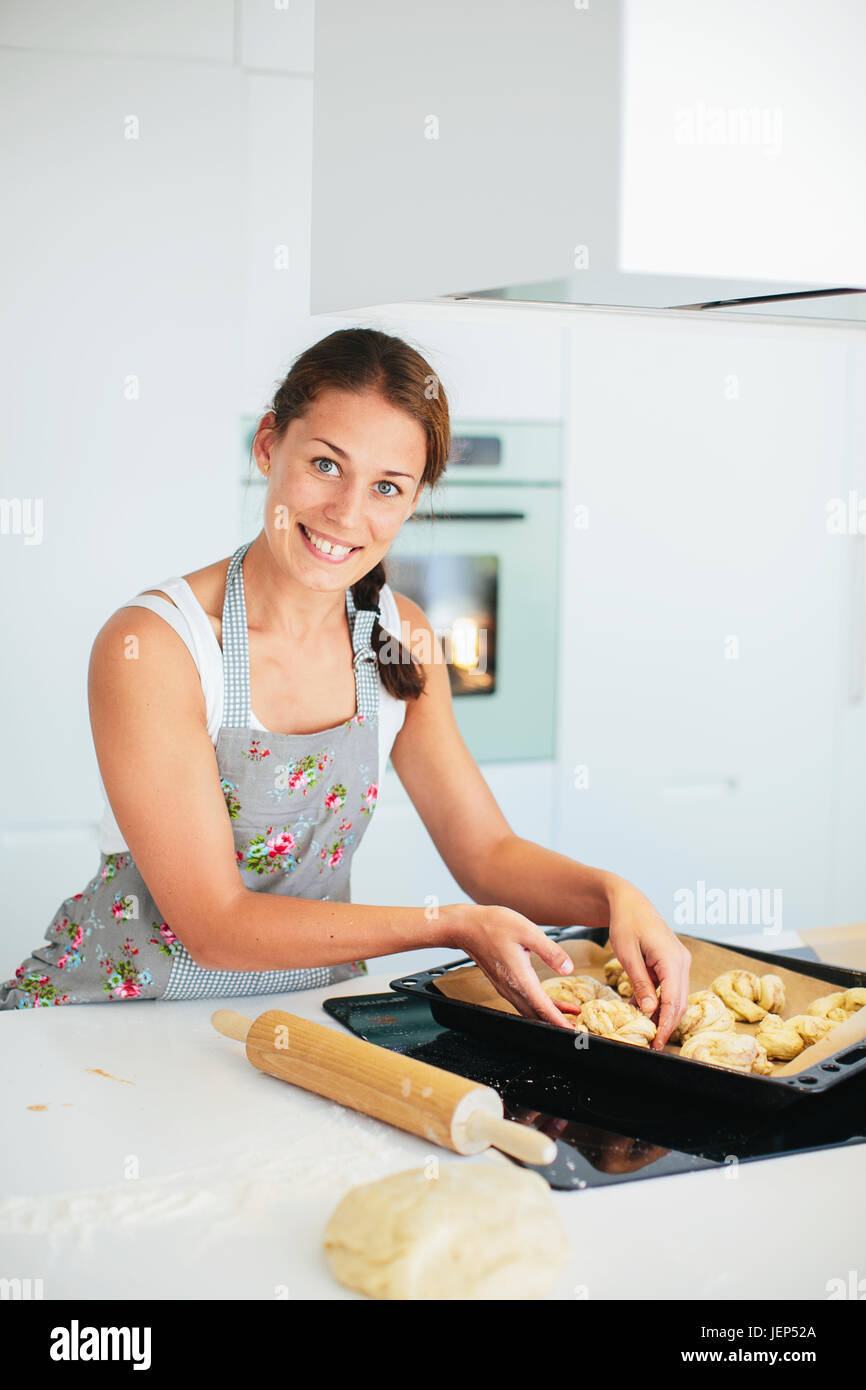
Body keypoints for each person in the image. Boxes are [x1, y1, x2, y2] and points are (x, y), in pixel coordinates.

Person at [0, 328, 689, 1044]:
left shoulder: (400, 638)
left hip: (300, 1025)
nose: (347, 513)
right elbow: (215, 924)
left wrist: (614, 896)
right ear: (269, 443)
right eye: (326, 464)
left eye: (386, 487)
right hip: (102, 1031)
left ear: (414, 499)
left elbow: (484, 853)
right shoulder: (158, 646)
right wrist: (446, 927)